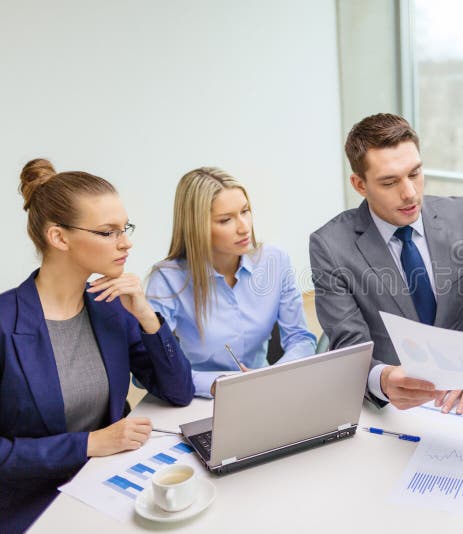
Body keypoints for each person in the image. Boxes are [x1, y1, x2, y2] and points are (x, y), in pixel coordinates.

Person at [0, 159, 194, 533]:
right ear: (59, 237)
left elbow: (178, 392)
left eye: (125, 229)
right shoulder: (6, 323)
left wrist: (146, 315)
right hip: (35, 503)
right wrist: (87, 444)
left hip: (110, 484)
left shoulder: (110, 306)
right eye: (108, 232)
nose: (126, 242)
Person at [310, 113, 463, 414]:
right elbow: (349, 345)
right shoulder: (330, 246)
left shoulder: (462, 217)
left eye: (414, 174)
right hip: (389, 410)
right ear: (359, 184)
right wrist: (382, 380)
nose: (409, 193)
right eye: (389, 182)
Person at [147, 167, 316, 398]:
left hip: (264, 394)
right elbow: (150, 371)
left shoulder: (274, 261)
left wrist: (273, 377)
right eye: (225, 220)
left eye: (245, 211)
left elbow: (300, 339)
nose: (244, 227)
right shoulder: (167, 279)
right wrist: (219, 384)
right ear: (197, 227)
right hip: (198, 399)